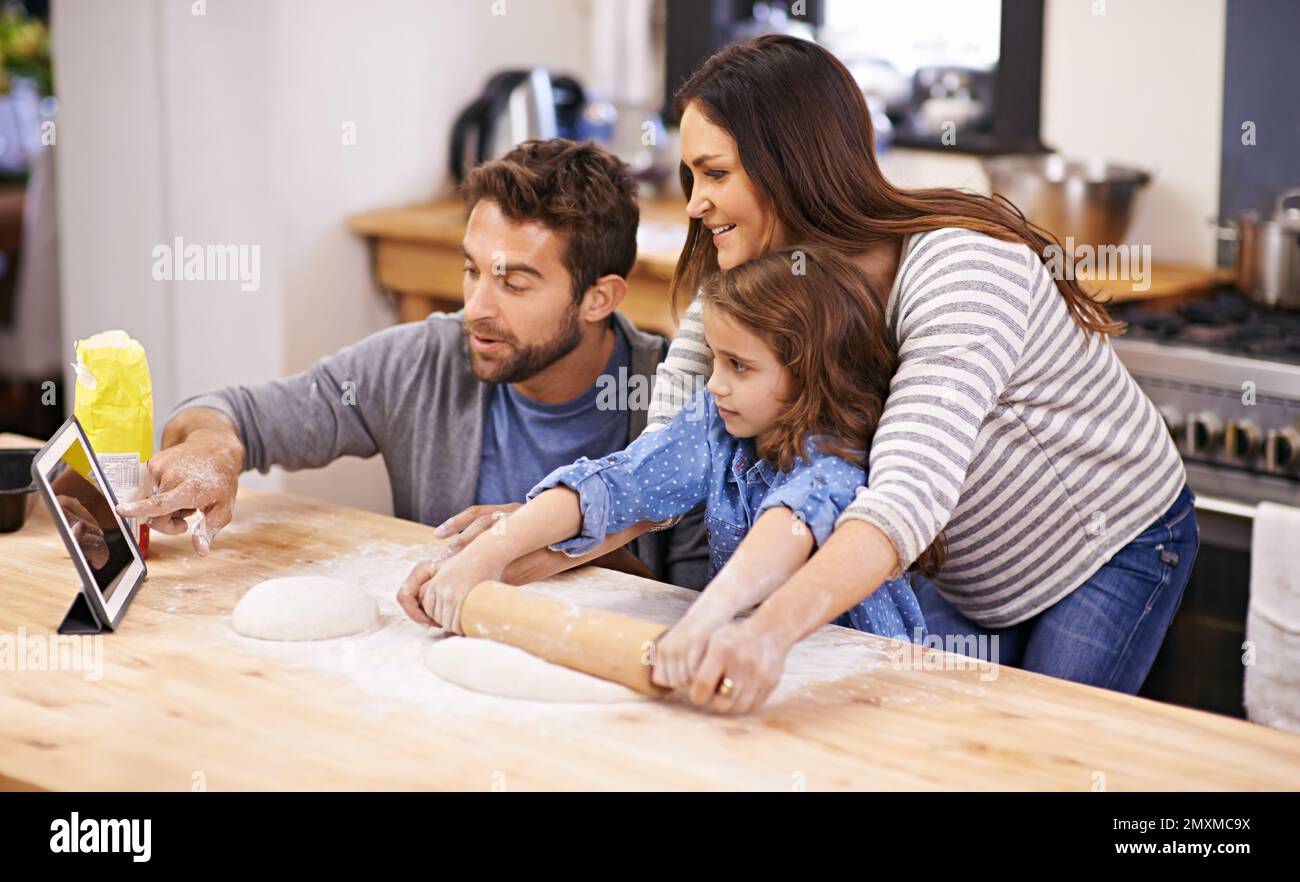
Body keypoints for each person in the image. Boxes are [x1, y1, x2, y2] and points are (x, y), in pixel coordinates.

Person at [623, 35, 1197, 711]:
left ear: (792, 167)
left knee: (1046, 748)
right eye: (690, 177)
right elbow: (660, 456)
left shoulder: (960, 271)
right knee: (937, 733)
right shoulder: (766, 282)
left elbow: (904, 498)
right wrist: (521, 537)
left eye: (714, 174)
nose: (693, 204)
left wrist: (769, 633)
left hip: (1108, 544)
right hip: (969, 570)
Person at [117, 139, 709, 590]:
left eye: (516, 284)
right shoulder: (424, 361)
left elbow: (695, 607)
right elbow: (233, 413)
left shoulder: (678, 402)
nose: (475, 308)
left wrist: (559, 533)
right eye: (473, 270)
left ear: (598, 298)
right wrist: (215, 452)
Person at [406, 247, 938, 714]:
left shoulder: (840, 458)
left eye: (739, 366)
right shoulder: (721, 423)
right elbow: (616, 484)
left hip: (862, 688)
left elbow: (789, 527)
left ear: (810, 372)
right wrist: (485, 557)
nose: (716, 384)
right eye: (714, 360)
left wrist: (704, 619)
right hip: (744, 667)